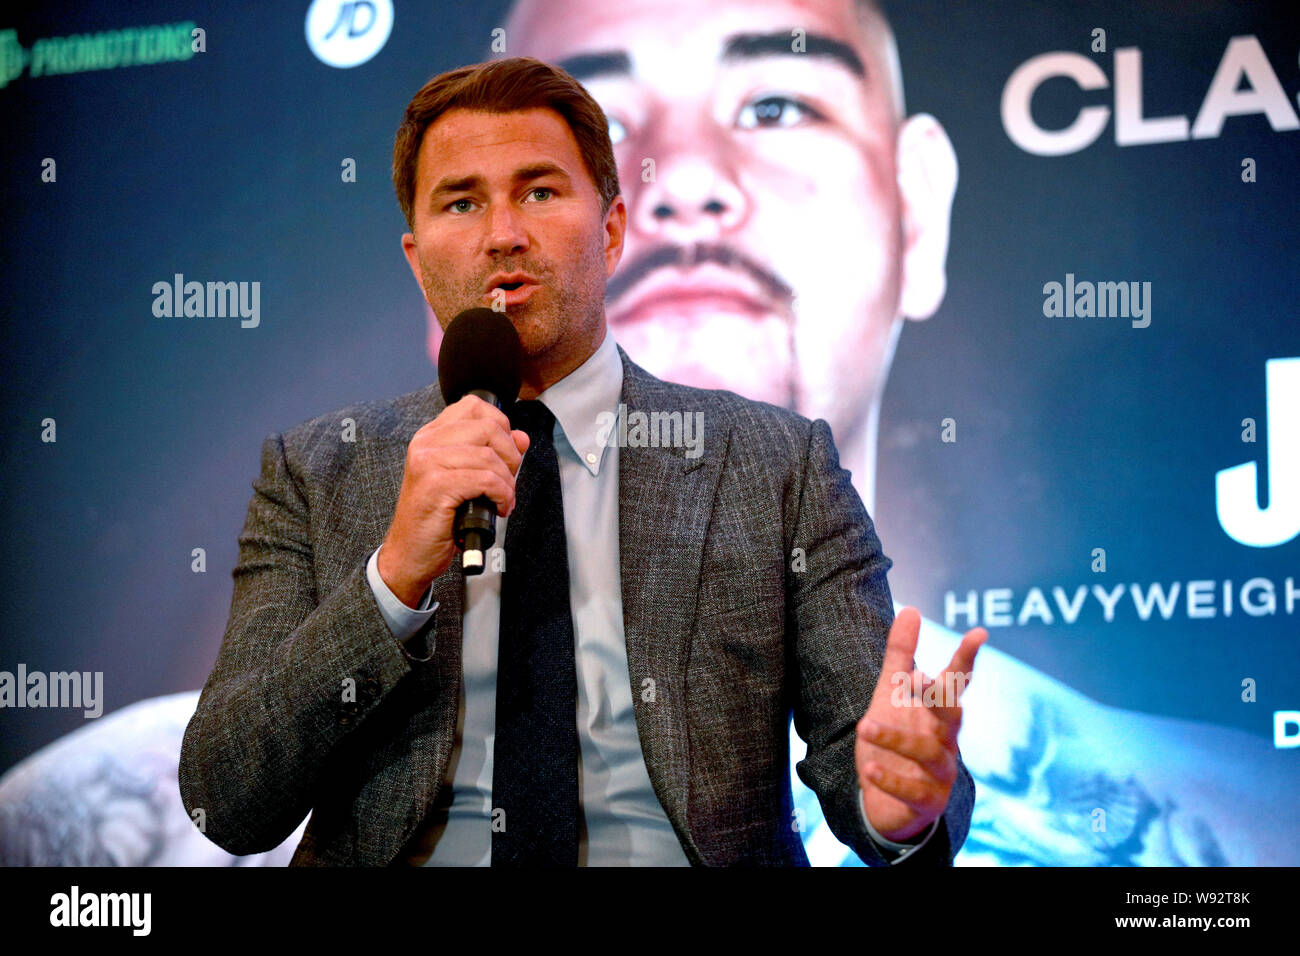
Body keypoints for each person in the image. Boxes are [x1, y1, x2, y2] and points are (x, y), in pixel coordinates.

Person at [502, 0, 1300, 867]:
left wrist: (903, 810)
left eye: (776, 107)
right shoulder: (358, 508)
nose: (684, 178)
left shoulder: (1234, 830)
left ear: (916, 210)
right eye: (604, 131)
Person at [178, 55, 986, 866]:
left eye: (539, 191)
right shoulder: (316, 472)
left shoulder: (775, 465)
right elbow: (228, 799)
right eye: (462, 202)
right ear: (418, 259)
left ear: (611, 229)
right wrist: (389, 583)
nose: (503, 234)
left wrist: (902, 808)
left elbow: (876, 752)